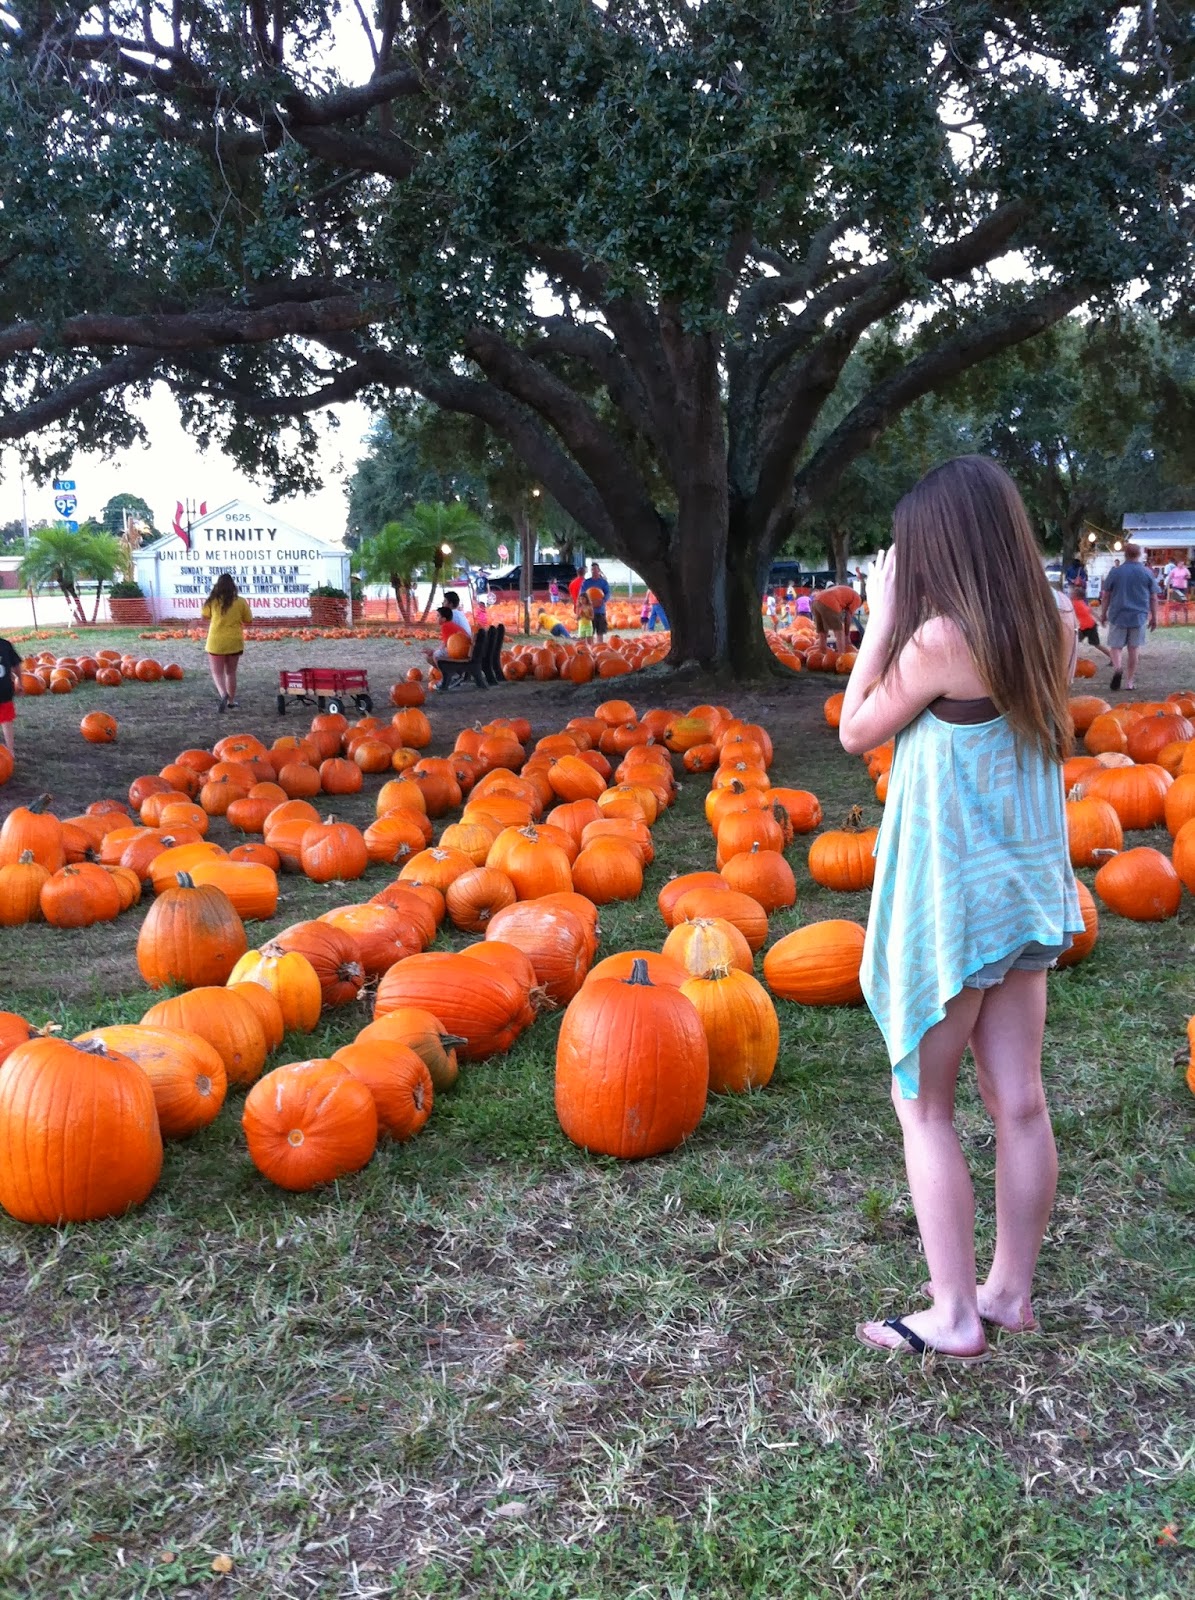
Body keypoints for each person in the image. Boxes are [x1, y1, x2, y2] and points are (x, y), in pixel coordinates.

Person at [838, 455, 1083, 1362]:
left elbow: (854, 726)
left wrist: (877, 615)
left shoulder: (937, 640)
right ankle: (1008, 1294)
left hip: (951, 908)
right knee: (1018, 1101)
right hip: (1022, 896)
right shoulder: (1052, 626)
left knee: (925, 1107)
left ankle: (952, 1313)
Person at [1100, 542, 1159, 691]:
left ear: (1125, 554)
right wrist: (1154, 617)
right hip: (1139, 616)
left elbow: (1106, 595)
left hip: (1118, 614)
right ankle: (1129, 682)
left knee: (1115, 646)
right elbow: (1153, 597)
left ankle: (1118, 668)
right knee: (1134, 649)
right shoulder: (1147, 573)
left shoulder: (1115, 572)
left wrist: (1103, 613)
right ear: (1139, 555)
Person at [202, 574, 252, 712]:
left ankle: (223, 694)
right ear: (233, 586)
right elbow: (248, 619)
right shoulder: (240, 601)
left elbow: (205, 615)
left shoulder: (213, 601)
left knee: (217, 673)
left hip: (216, 641)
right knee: (231, 672)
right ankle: (231, 701)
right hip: (234, 642)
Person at [424, 603, 471, 686]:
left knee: (436, 655)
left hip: (460, 651)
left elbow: (445, 644)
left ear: (444, 619)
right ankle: (453, 674)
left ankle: (449, 675)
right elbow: (446, 643)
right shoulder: (450, 625)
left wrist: (434, 652)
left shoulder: (445, 626)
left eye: (438, 616)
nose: (436, 618)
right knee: (437, 653)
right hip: (465, 650)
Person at [812, 580, 863, 653]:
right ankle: (841, 656)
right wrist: (847, 635)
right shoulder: (858, 599)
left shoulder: (848, 592)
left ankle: (822, 655)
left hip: (816, 601)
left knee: (823, 632)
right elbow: (848, 616)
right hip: (829, 601)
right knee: (839, 632)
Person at [1070, 584, 1112, 663]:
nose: (1071, 593)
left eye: (1073, 593)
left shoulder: (1074, 603)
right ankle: (1074, 660)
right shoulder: (1082, 602)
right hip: (1087, 626)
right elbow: (1091, 611)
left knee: (1096, 644)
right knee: (1074, 642)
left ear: (1077, 596)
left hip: (1088, 627)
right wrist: (1100, 620)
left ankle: (1112, 657)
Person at [0, 634, 23, 758]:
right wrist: (20, 681)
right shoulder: (5, 644)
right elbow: (16, 666)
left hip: (4, 689)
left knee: (6, 719)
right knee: (6, 721)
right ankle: (10, 751)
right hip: (4, 689)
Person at [585, 563, 610, 637]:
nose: (594, 571)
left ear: (598, 570)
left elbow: (608, 594)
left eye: (595, 569)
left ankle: (600, 646)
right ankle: (591, 647)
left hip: (600, 611)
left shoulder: (603, 582)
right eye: (592, 569)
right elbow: (582, 594)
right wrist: (588, 602)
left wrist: (603, 600)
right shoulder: (586, 582)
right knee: (590, 633)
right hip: (589, 611)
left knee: (600, 632)